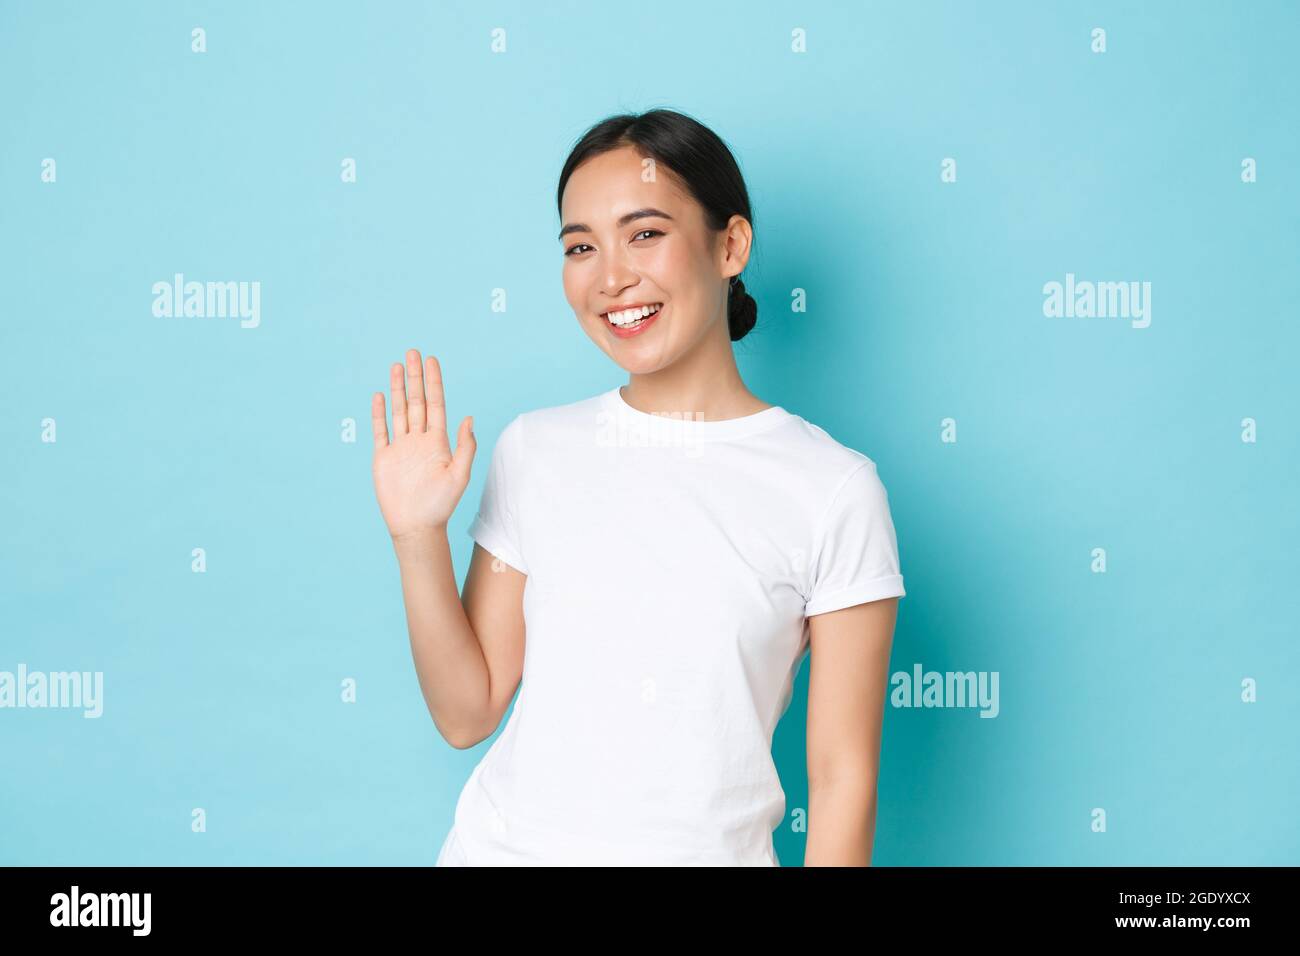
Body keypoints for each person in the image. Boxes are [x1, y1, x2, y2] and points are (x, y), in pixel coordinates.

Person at [370, 108, 905, 866]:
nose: (612, 276)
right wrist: (417, 539)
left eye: (645, 232)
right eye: (580, 246)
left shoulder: (833, 490)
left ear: (731, 244)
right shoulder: (534, 450)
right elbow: (467, 711)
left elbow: (843, 779)